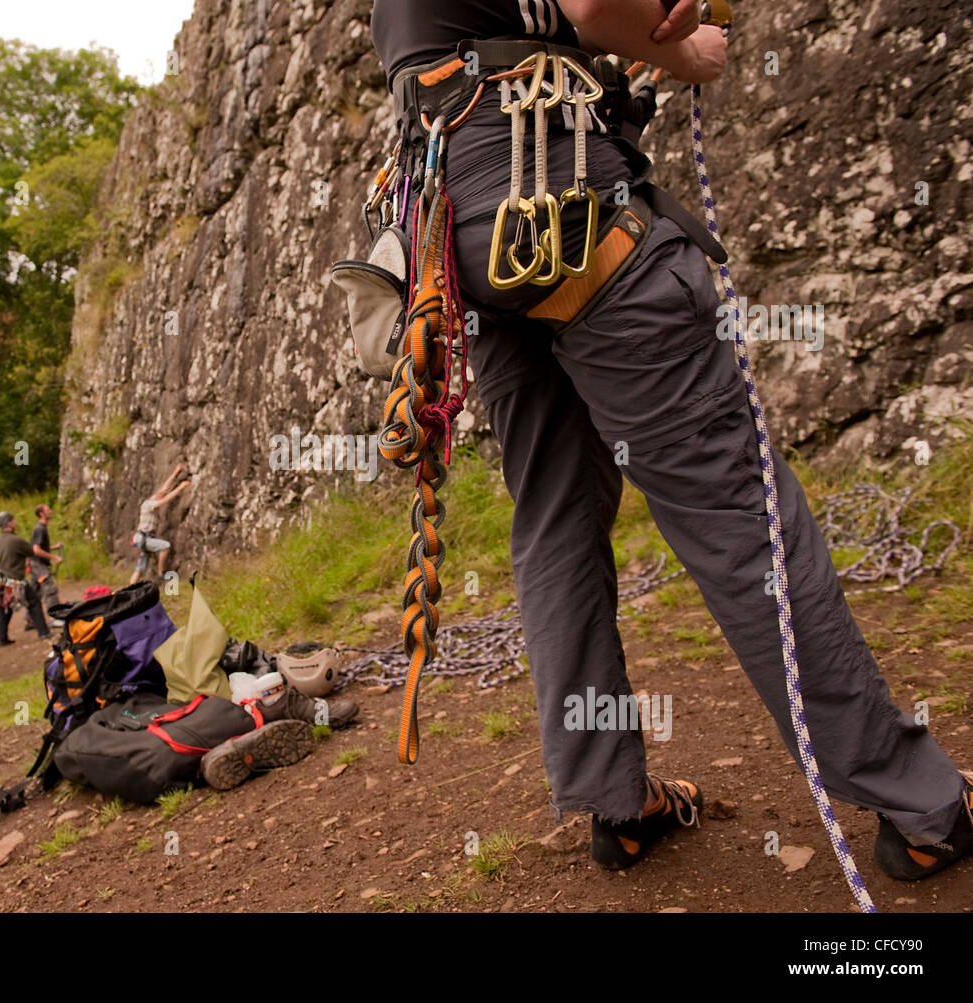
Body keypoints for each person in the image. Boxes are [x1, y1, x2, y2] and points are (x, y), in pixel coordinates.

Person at [369, 0, 972, 880]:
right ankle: (923, 805)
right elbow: (593, 4)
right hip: (572, 214)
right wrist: (684, 49)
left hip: (466, 240)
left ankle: (615, 801)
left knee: (556, 521)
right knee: (735, 512)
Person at [128, 463, 192, 585]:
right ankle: (160, 572)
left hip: (141, 538)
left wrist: (175, 471)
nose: (161, 494)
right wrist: (180, 487)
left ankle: (131, 586)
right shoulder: (149, 505)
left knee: (141, 566)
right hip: (143, 538)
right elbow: (165, 499)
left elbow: (164, 488)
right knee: (165, 546)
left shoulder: (152, 499)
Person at [0, 510, 49, 646]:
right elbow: (31, 551)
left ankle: (2, 638)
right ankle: (44, 632)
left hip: (1, 579)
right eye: (12, 520)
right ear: (8, 523)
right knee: (34, 602)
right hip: (14, 580)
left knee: (4, 608)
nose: (14, 522)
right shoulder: (15, 540)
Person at [24, 503, 64, 631]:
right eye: (47, 510)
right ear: (41, 514)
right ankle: (55, 617)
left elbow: (38, 547)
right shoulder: (40, 529)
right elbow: (36, 550)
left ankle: (31, 620)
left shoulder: (41, 528)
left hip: (34, 563)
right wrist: (54, 557)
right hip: (38, 564)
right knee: (49, 587)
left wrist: (53, 548)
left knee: (34, 593)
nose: (50, 511)